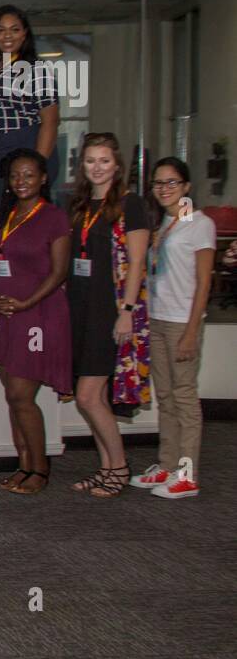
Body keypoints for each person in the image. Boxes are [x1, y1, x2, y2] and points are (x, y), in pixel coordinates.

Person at [0, 149, 72, 495]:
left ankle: (41, 469)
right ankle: (23, 465)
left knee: (21, 394)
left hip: (37, 313)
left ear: (44, 178)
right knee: (12, 396)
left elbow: (60, 271)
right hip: (2, 315)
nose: (21, 181)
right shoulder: (5, 216)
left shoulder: (54, 218)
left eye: (29, 175)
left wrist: (26, 303)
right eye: (15, 175)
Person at [66, 132, 149, 499]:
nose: (97, 167)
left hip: (110, 310)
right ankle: (105, 469)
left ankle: (119, 467)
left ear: (117, 166)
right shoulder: (81, 205)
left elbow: (136, 264)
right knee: (93, 398)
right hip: (80, 310)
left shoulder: (131, 205)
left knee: (88, 396)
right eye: (90, 161)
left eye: (104, 161)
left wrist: (127, 312)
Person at [132, 158, 212, 499]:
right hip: (159, 320)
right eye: (158, 183)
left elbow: (204, 282)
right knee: (165, 397)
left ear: (187, 187)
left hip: (183, 322)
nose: (164, 189)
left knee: (184, 397)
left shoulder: (200, 224)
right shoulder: (163, 223)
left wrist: (192, 330)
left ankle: (187, 474)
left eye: (172, 182)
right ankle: (167, 465)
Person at [0, 5, 59, 219]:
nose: (7, 35)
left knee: (29, 218)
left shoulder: (36, 69)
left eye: (15, 29)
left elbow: (51, 121)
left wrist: (37, 166)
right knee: (1, 216)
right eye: (1, 29)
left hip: (27, 145)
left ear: (25, 33)